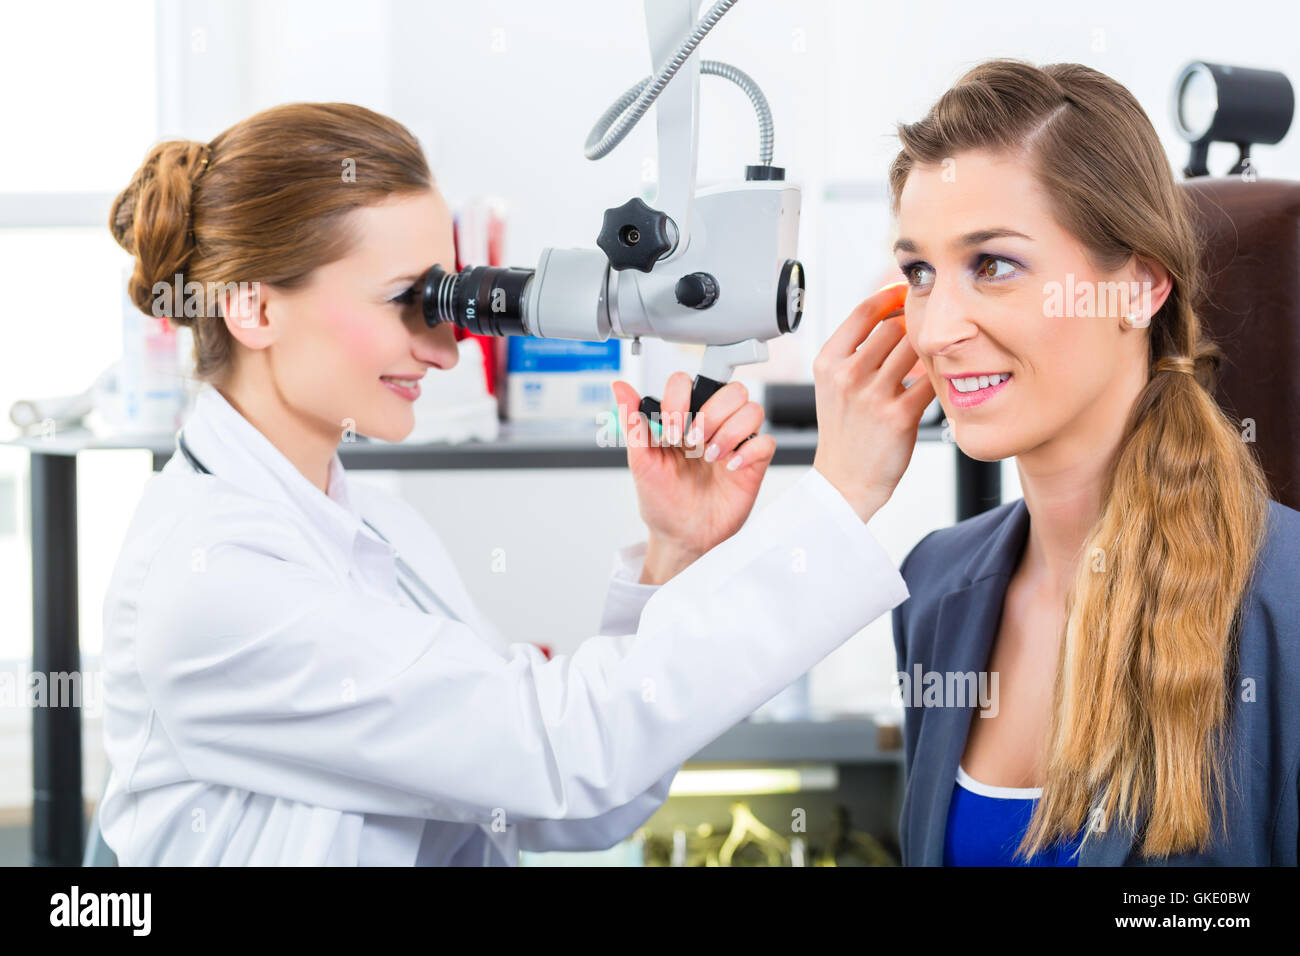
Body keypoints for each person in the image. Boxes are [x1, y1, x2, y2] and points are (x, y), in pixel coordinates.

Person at [99, 102, 935, 865]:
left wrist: (674, 554)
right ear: (253, 308)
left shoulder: (383, 534)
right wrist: (843, 492)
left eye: (448, 299)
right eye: (407, 300)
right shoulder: (210, 580)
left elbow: (556, 806)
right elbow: (567, 753)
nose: (445, 347)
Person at [887, 59, 1300, 865]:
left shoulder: (1285, 601)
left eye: (993, 264)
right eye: (920, 273)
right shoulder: (932, 589)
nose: (936, 331)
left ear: (1140, 284)